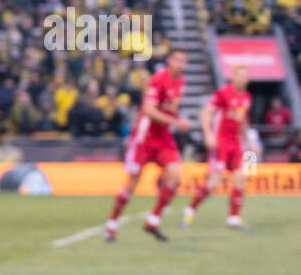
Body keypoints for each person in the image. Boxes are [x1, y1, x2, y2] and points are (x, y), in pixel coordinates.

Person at [104, 50, 190, 242]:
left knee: (176, 178)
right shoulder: (159, 79)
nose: (181, 65)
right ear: (169, 61)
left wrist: (177, 119)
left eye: (184, 61)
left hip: (163, 136)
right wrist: (176, 122)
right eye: (178, 60)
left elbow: (169, 109)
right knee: (132, 182)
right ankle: (111, 224)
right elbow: (148, 110)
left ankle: (153, 220)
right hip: (145, 136)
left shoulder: (181, 82)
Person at [184, 64, 253, 229]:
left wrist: (249, 140)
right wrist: (208, 134)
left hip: (235, 143)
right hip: (221, 143)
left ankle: (234, 217)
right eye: (240, 75)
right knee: (214, 182)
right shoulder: (223, 93)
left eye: (245, 76)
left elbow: (241, 120)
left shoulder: (246, 97)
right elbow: (206, 112)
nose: (242, 79)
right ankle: (190, 209)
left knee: (240, 178)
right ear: (233, 77)